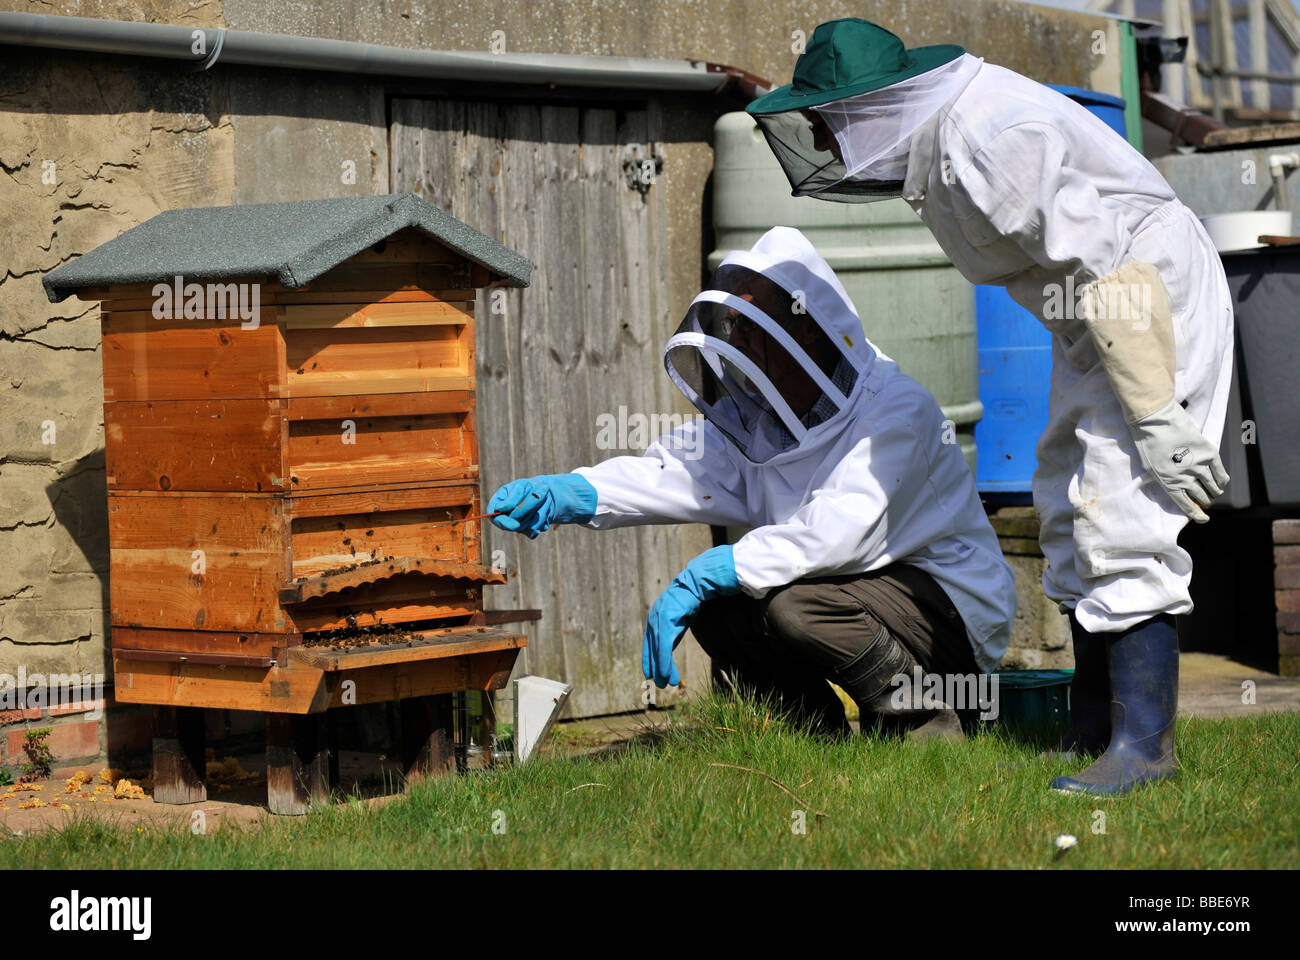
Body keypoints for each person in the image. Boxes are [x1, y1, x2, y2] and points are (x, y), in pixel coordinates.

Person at [744, 18, 1233, 794]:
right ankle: (1095, 726)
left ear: (873, 108)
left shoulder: (988, 139)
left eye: (829, 124)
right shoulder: (944, 135)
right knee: (1069, 508)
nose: (827, 146)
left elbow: (1109, 268)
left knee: (1121, 512)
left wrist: (1157, 413)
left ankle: (1147, 750)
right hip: (1094, 318)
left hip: (1142, 303)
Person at [488, 226, 1017, 740]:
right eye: (733, 324)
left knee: (793, 605)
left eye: (751, 323)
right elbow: (676, 471)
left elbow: (835, 533)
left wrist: (717, 566)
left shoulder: (896, 413)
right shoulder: (768, 419)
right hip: (862, 593)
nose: (736, 337)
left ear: (805, 328)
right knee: (721, 608)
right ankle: (808, 735)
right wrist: (575, 494)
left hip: (948, 613)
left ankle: (922, 723)